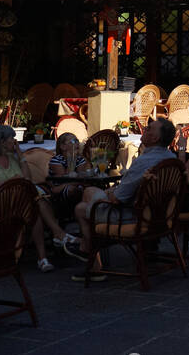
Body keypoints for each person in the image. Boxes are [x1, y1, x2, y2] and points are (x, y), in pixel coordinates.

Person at [72, 118, 178, 282]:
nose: (145, 130)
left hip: (133, 217)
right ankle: (89, 249)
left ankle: (91, 258)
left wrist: (110, 193)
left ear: (155, 138)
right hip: (162, 217)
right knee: (90, 192)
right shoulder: (172, 159)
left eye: (149, 128)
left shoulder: (145, 162)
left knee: (81, 208)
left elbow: (117, 199)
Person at [0, 125, 73, 274]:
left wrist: (20, 155)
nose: (14, 141)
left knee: (35, 210)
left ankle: (43, 259)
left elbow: (27, 179)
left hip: (18, 202)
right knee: (35, 201)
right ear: (1, 141)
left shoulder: (12, 158)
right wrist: (5, 184)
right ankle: (57, 235)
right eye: (11, 138)